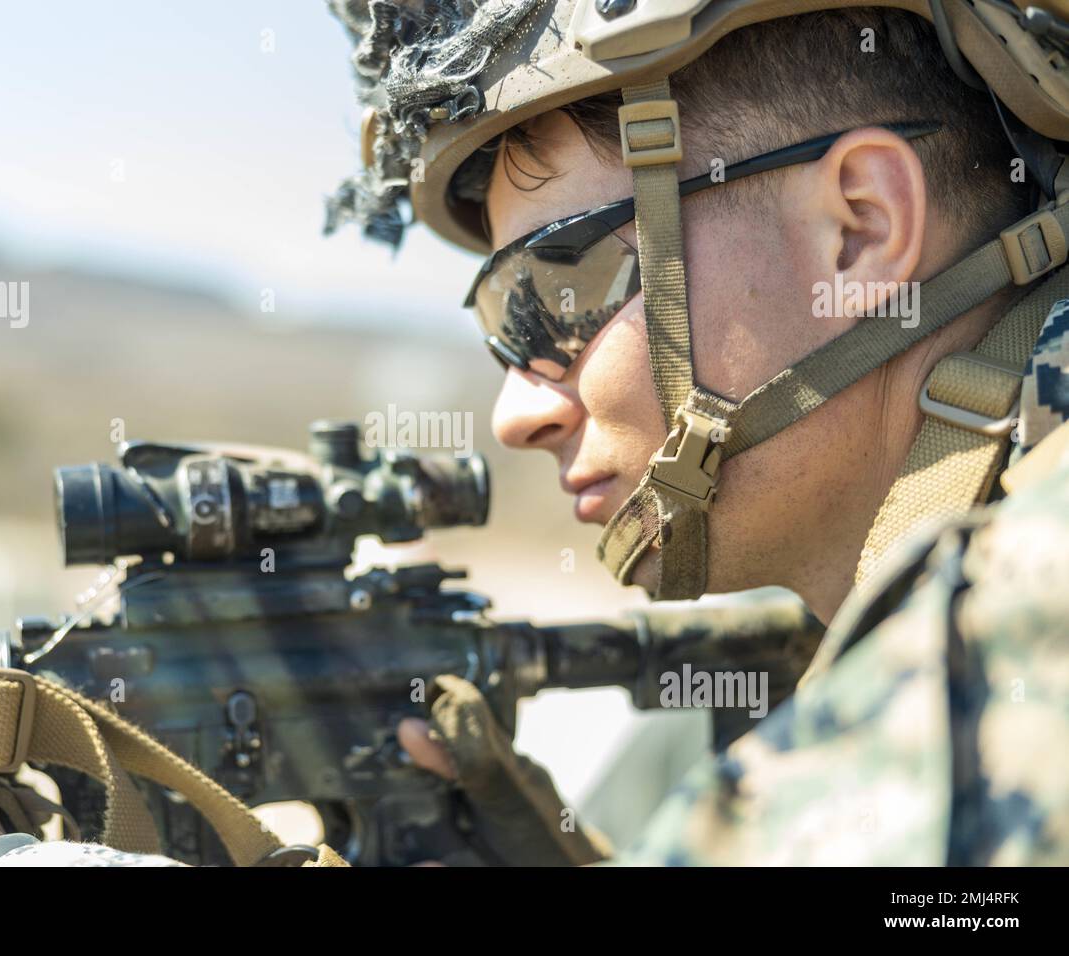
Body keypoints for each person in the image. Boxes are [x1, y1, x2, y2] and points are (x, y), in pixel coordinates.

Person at [324, 0, 1069, 864]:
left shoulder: (1035, 593)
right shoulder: (797, 669)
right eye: (503, 325)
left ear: (860, 229)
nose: (517, 415)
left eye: (557, 296)